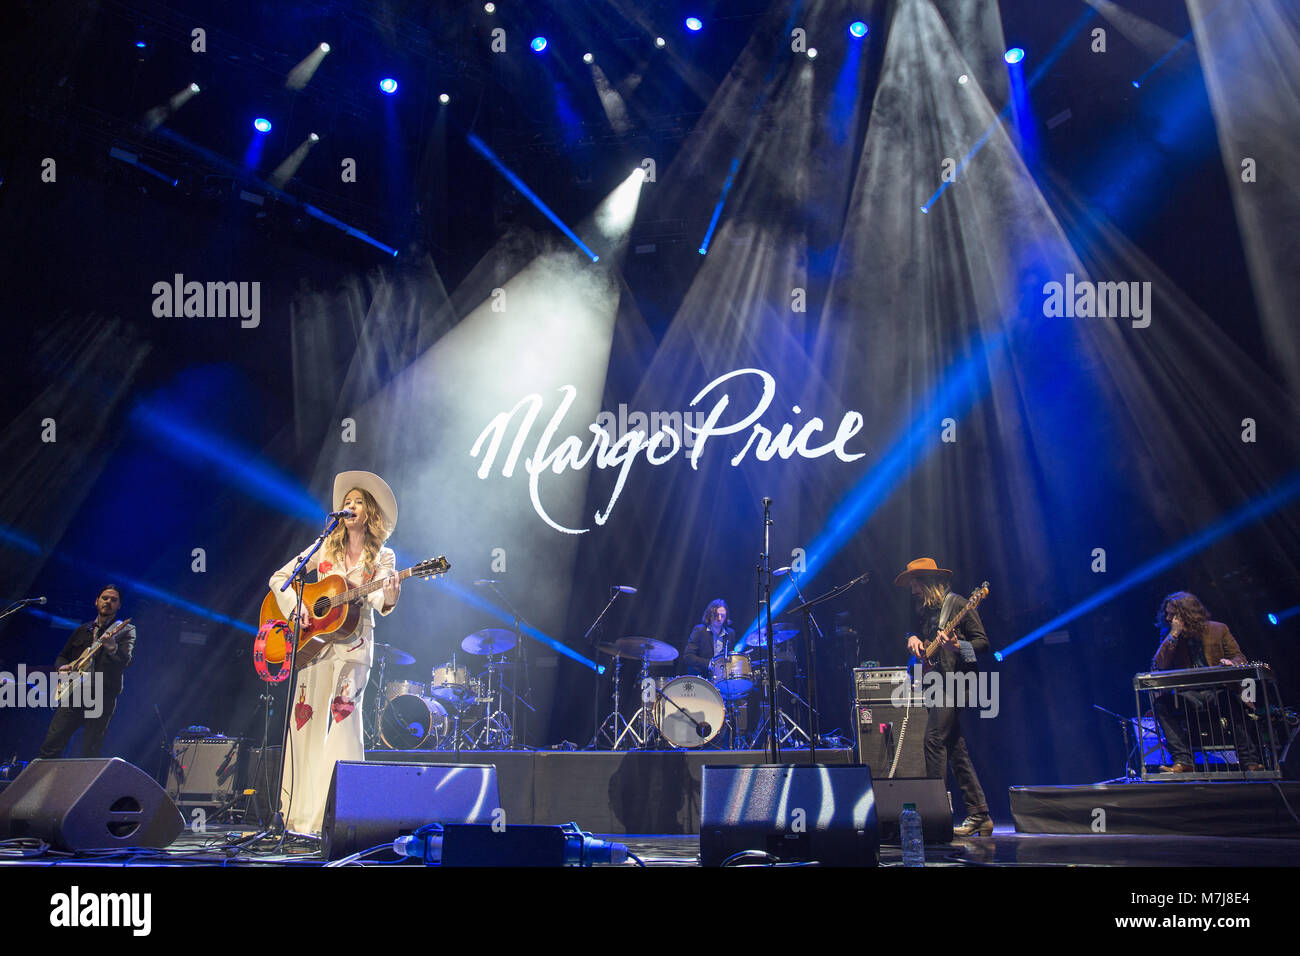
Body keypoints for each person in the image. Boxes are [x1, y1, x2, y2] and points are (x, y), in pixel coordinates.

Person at [269, 471, 401, 834]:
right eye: (347, 502)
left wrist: (390, 592)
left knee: (343, 720)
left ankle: (336, 817)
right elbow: (279, 578)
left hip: (356, 645)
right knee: (304, 721)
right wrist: (298, 606)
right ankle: (296, 815)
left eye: (358, 502)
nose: (351, 506)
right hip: (315, 644)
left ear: (370, 511)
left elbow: (377, 599)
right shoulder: (325, 548)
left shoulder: (383, 556)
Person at [896, 557, 993, 837]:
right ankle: (980, 814)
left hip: (957, 684)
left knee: (934, 739)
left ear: (931, 583)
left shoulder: (961, 604)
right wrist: (911, 638)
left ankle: (934, 816)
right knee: (954, 747)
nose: (913, 589)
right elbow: (919, 640)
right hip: (936, 685)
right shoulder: (926, 612)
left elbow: (983, 645)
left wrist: (958, 645)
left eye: (917, 582)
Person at [1150, 591, 1263, 773]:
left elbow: (1239, 657)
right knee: (1162, 705)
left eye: (1172, 614)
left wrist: (1231, 662)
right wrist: (1173, 635)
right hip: (1188, 695)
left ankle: (1250, 761)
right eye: (1167, 614)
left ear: (1186, 613)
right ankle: (1183, 761)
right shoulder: (1170, 636)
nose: (1168, 617)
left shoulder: (1218, 629)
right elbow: (1159, 665)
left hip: (1218, 691)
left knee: (1233, 702)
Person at [38, 584, 136, 759]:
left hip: (102, 695)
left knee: (90, 750)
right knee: (52, 744)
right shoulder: (83, 629)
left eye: (114, 600)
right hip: (74, 692)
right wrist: (61, 669)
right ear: (96, 601)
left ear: (119, 606)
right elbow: (62, 656)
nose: (108, 602)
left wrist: (113, 647)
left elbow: (125, 661)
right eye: (105, 598)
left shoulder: (125, 630)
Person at [683, 599, 735, 678]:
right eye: (716, 615)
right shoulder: (700, 630)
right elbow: (688, 657)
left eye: (723, 616)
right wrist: (710, 663)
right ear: (709, 615)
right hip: (701, 677)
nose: (719, 618)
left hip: (722, 678)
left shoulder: (730, 633)